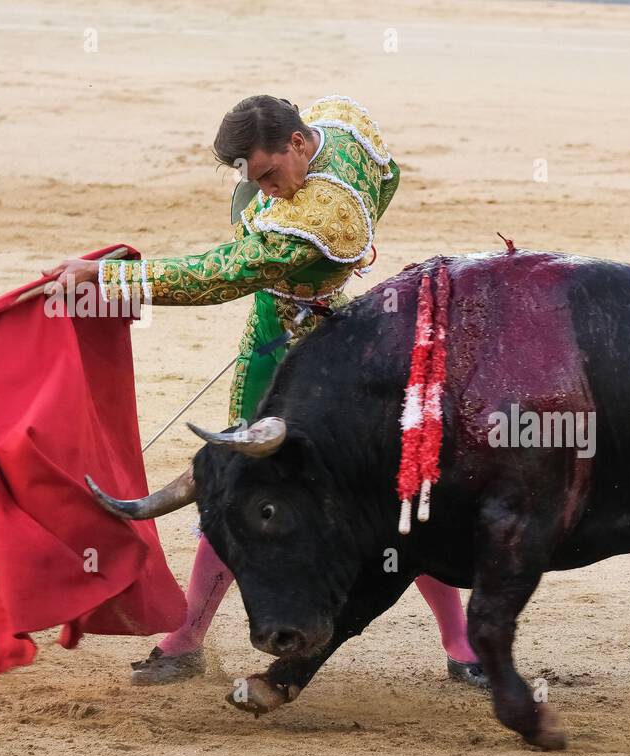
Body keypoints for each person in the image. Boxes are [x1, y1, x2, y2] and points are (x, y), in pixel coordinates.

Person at [44, 94, 486, 688]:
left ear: (299, 144)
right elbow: (389, 173)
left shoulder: (322, 217)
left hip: (290, 340)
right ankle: (188, 638)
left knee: (380, 487)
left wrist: (108, 275)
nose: (268, 191)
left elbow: (225, 272)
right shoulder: (341, 122)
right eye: (255, 180)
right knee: (298, 480)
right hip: (337, 329)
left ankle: (460, 644)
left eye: (271, 175)